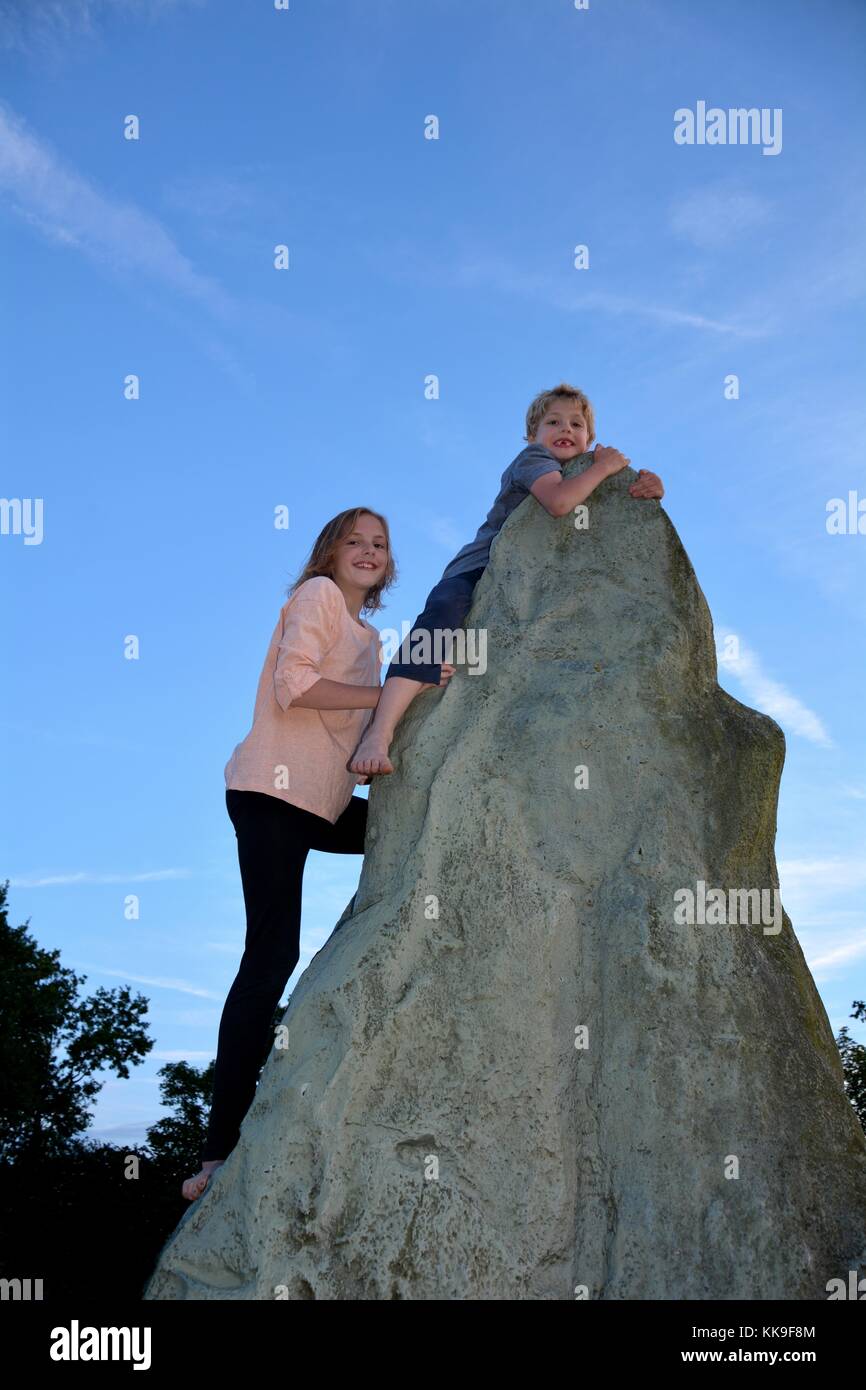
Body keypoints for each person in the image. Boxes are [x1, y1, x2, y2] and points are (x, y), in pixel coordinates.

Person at [182, 506, 454, 1201]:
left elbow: (355, 730)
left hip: (321, 803)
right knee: (270, 955)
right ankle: (215, 1154)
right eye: (354, 540)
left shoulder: (368, 635)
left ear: (389, 564)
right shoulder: (319, 596)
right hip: (272, 794)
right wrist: (393, 689)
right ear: (329, 552)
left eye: (380, 544)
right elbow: (295, 685)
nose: (368, 550)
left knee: (421, 827)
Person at [347, 382, 665, 778]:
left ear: (590, 438)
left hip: (533, 588)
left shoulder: (586, 472)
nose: (565, 429)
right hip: (475, 573)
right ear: (532, 436)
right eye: (553, 422)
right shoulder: (533, 459)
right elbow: (559, 501)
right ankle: (378, 734)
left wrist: (646, 488)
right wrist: (604, 468)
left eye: (576, 424)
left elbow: (619, 523)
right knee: (435, 632)